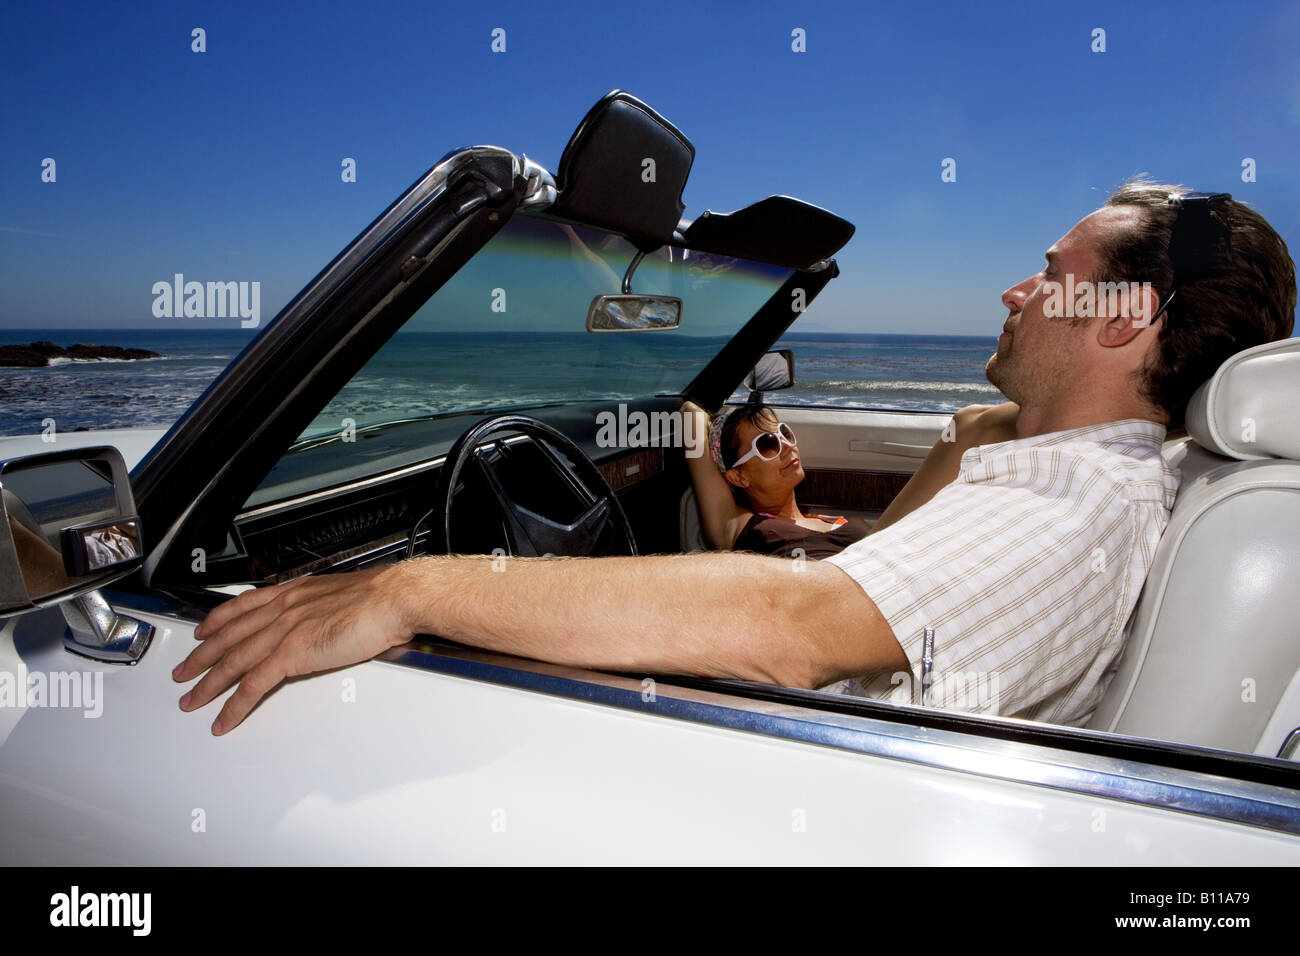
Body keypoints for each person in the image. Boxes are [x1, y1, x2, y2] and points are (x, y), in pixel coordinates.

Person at [176, 180, 1296, 735]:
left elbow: (784, 631)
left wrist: (406, 583)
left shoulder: (1071, 500)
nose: (1014, 290)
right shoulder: (1088, 468)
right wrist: (977, 434)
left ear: (1117, 316)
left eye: (1046, 271)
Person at [681, 399, 870, 558]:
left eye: (784, 433)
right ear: (739, 476)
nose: (787, 445)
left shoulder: (837, 521)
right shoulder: (739, 527)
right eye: (768, 444)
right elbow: (690, 415)